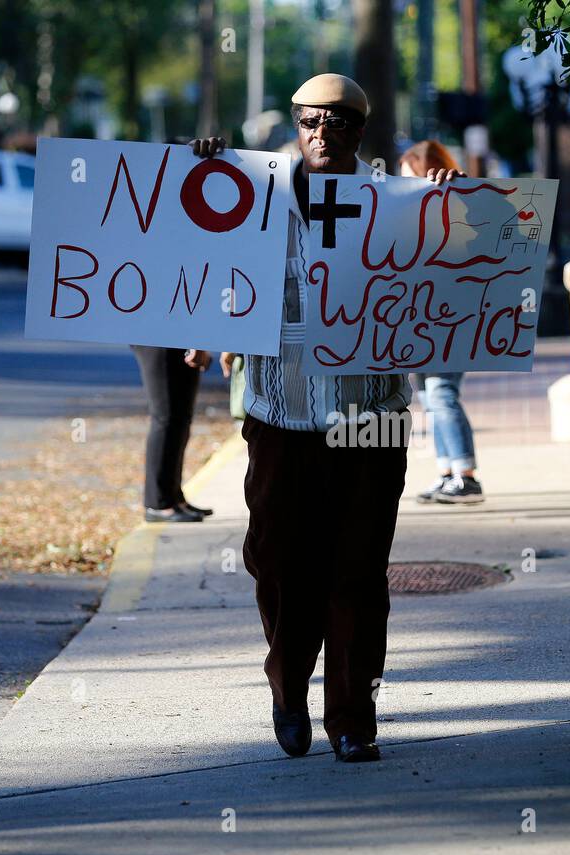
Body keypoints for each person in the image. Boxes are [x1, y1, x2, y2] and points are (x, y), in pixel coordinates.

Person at [195, 74, 463, 763]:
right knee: (279, 564)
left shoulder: (396, 205)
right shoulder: (249, 196)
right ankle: (287, 688)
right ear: (296, 124)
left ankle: (351, 717)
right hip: (279, 415)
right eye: (311, 121)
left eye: (338, 123)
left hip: (368, 421)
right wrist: (193, 181)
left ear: (359, 133)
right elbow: (207, 267)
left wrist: (448, 213)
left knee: (357, 575)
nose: (322, 134)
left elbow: (456, 277)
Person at [398, 141, 484, 505]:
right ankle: (449, 472)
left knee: (441, 394)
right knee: (431, 397)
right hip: (422, 317)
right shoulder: (413, 214)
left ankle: (465, 476)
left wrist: (457, 191)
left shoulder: (453, 203)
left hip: (449, 318)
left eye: (410, 179)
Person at [130, 345, 213, 523]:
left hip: (180, 336)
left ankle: (174, 497)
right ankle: (158, 503)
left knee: (181, 417)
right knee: (166, 416)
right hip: (160, 337)